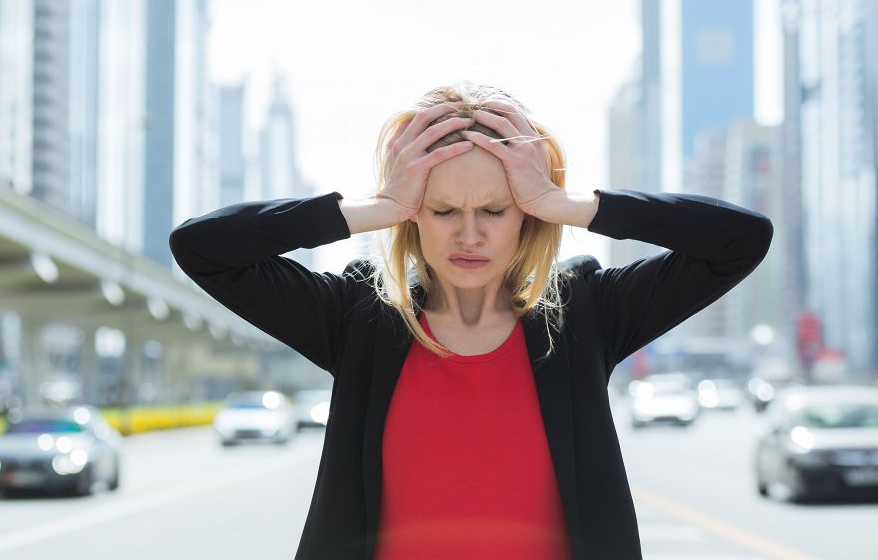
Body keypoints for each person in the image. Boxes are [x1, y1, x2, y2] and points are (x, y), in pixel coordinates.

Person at [168, 81, 773, 560]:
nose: (469, 234)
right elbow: (203, 248)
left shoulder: (586, 313)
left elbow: (741, 240)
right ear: (413, 217)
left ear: (525, 216)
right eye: (441, 209)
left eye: (495, 208)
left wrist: (566, 204)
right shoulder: (360, 319)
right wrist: (373, 208)